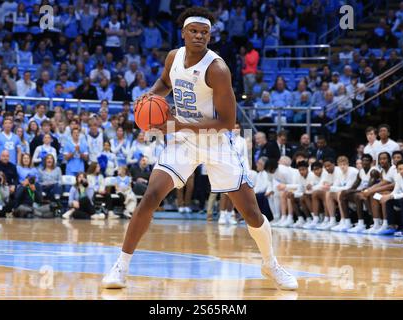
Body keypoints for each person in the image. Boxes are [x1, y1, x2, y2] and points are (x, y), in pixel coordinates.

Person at [102, 7, 298, 290]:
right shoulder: (174, 57)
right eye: (193, 31)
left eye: (205, 33)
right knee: (151, 196)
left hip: (216, 143)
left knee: (251, 213)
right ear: (183, 33)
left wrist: (178, 125)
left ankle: (271, 264)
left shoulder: (217, 69)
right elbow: (164, 83)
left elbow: (228, 122)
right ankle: (121, 266)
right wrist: (149, 98)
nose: (199, 36)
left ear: (210, 36)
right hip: (183, 142)